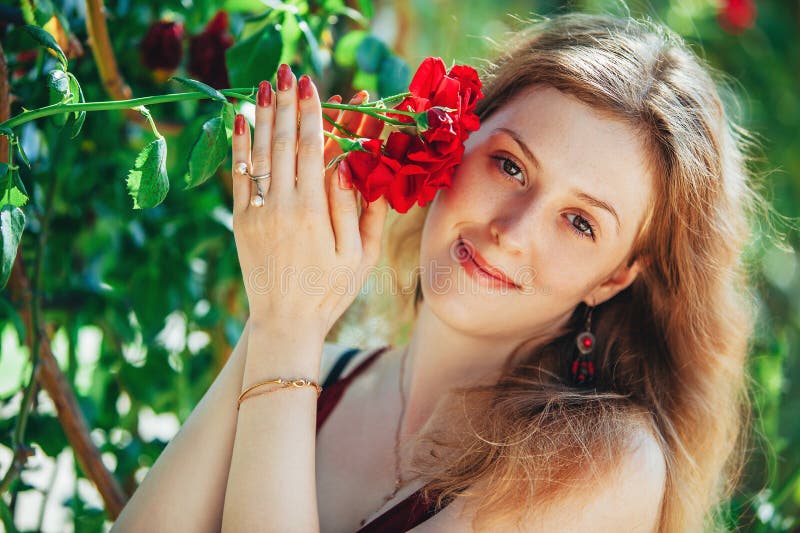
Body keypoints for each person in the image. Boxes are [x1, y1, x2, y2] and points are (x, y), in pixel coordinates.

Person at [111, 12, 761, 532]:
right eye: (509, 165)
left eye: (579, 222)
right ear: (451, 142)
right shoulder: (307, 358)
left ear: (614, 278)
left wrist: (284, 332)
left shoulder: (605, 462)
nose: (513, 231)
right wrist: (278, 314)